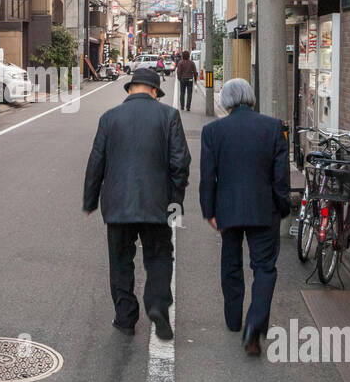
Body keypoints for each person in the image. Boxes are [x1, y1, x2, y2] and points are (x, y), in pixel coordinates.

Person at [83, 67, 191, 341]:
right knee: (159, 257)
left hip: (118, 205)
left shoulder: (109, 118)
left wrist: (90, 199)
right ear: (155, 91)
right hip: (157, 205)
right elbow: (180, 164)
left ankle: (125, 317)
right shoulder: (168, 116)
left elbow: (97, 161)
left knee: (120, 261)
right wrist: (175, 203)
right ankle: (157, 306)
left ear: (130, 89)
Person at [199, 78, 291, 356]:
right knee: (264, 269)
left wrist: (209, 211)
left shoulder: (213, 131)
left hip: (227, 209)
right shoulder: (273, 127)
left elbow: (207, 177)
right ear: (250, 97)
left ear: (225, 101)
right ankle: (254, 324)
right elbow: (281, 175)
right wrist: (282, 206)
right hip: (264, 209)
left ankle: (233, 319)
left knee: (231, 263)